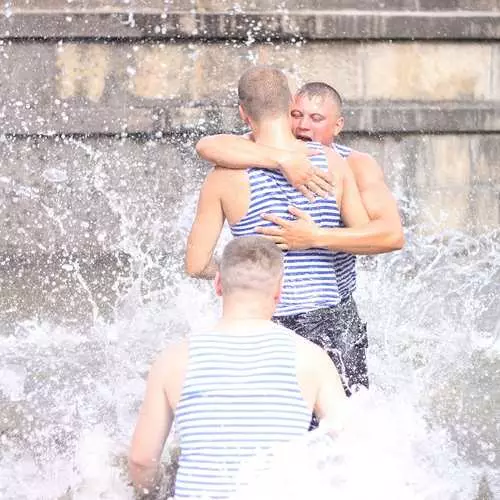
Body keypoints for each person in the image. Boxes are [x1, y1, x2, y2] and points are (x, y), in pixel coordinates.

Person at [194, 81, 405, 392]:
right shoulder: (255, 150)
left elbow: (390, 236)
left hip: (335, 308)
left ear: (338, 125)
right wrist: (283, 160)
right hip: (274, 309)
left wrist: (315, 237)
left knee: (343, 415)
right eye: (296, 114)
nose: (303, 125)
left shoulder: (351, 163)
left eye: (316, 118)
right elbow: (206, 146)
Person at [128, 236, 347, 499]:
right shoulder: (311, 358)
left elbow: (141, 460)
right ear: (279, 290)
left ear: (218, 283)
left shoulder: (173, 360)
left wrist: (152, 492)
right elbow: (348, 443)